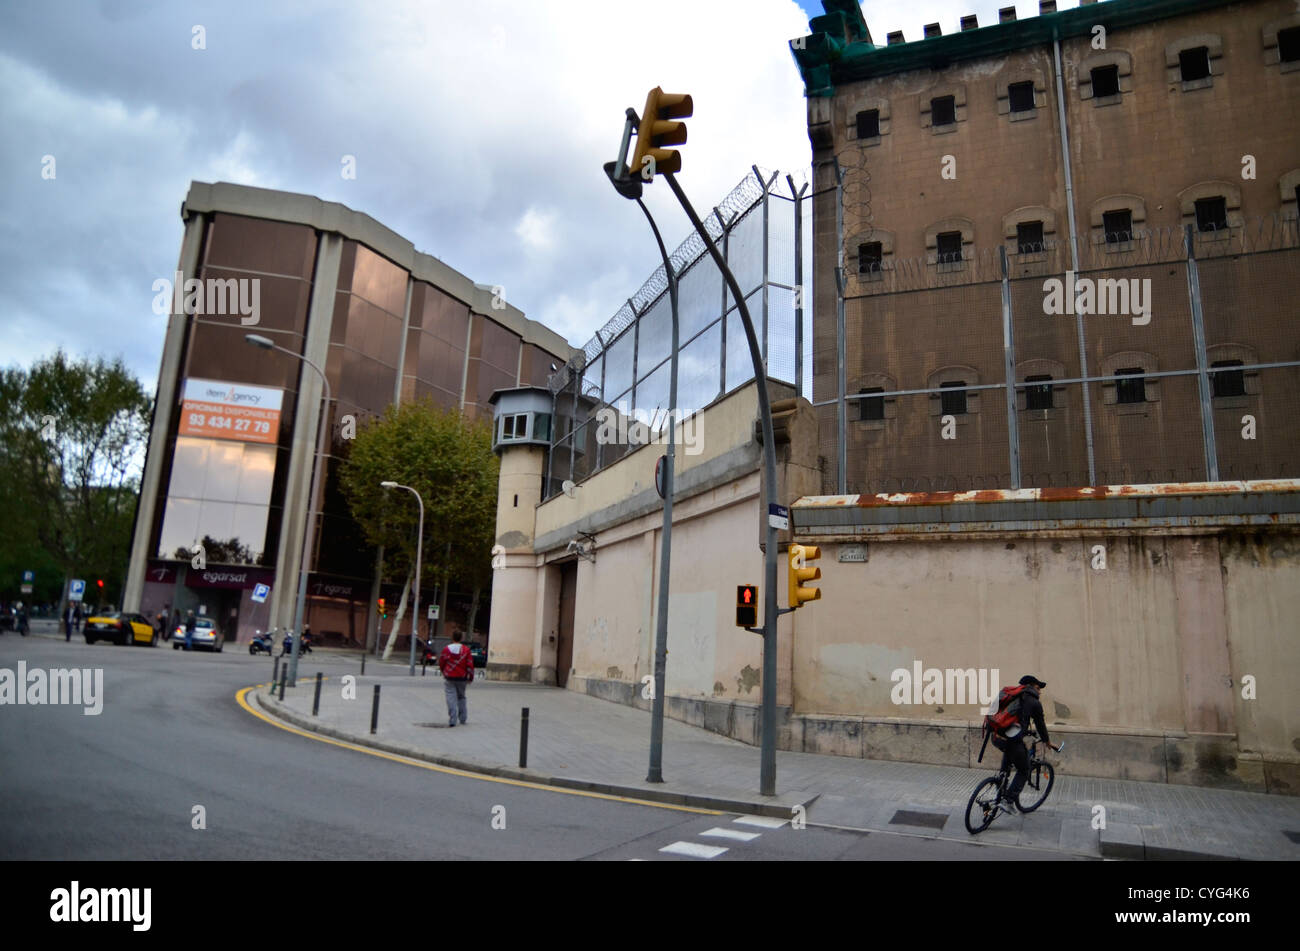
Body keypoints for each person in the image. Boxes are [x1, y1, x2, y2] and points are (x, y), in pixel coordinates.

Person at [995, 675, 1061, 813]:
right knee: (1024, 769)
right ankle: (1007, 801)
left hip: (996, 736)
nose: (1040, 692)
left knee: (1009, 756)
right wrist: (1047, 741)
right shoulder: (1033, 702)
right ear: (1030, 686)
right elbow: (1040, 725)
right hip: (1012, 740)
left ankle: (999, 786)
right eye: (1038, 688)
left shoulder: (1013, 696)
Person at [437, 630, 475, 727]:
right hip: (462, 678)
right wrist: (470, 677)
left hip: (449, 677)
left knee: (451, 698)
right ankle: (463, 718)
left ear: (452, 638)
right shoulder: (466, 650)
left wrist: (443, 671)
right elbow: (470, 665)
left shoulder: (446, 649)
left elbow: (442, 662)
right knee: (461, 697)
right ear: (461, 638)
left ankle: (452, 719)